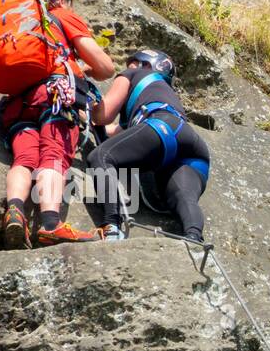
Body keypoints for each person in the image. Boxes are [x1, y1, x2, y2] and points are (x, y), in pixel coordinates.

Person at [1, 0, 115, 248]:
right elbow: (106, 67)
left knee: (24, 159)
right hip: (55, 96)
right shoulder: (60, 15)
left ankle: (15, 212)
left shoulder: (20, 22)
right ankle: (50, 224)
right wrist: (82, 68)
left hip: (18, 104)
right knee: (53, 156)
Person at [86, 49, 210, 242]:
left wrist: (83, 101)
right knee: (183, 195)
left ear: (144, 64)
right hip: (190, 144)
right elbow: (115, 132)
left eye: (133, 63)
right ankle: (194, 238)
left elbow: (104, 115)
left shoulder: (134, 73)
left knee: (100, 157)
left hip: (159, 127)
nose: (128, 67)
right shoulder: (160, 93)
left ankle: (112, 225)